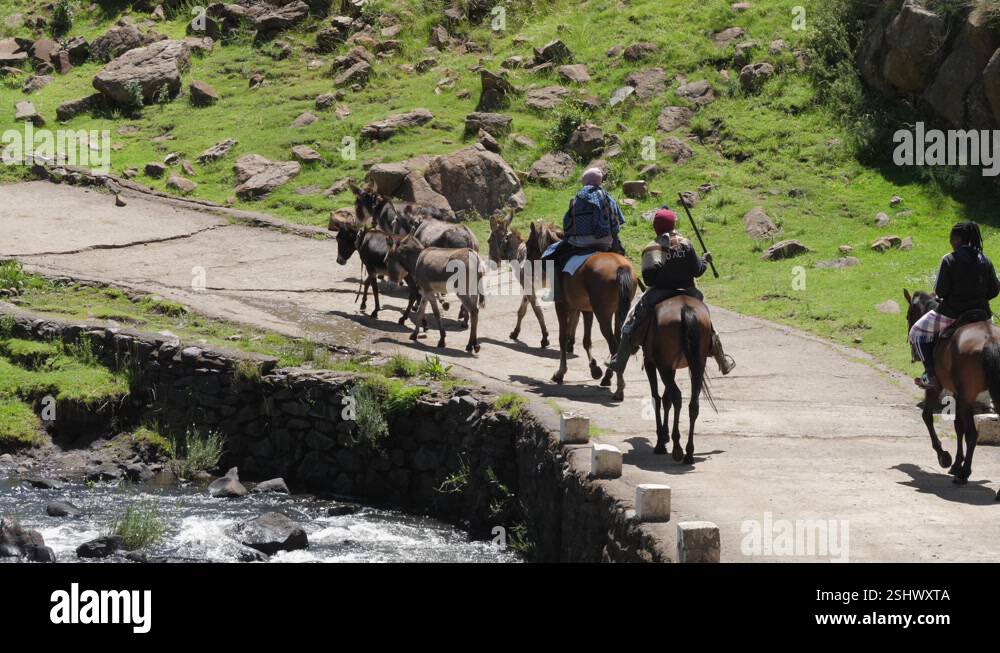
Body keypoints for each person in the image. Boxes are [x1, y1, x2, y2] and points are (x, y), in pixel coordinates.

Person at [607, 207, 735, 375]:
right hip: (689, 291)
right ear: (673, 224)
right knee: (708, 324)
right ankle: (722, 360)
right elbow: (697, 270)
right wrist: (705, 260)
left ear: (656, 227)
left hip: (661, 292)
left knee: (631, 321)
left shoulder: (652, 247)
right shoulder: (686, 243)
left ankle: (619, 362)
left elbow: (649, 279)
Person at [909, 221, 1000, 390]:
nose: (950, 242)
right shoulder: (985, 260)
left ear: (957, 239)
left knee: (916, 331)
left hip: (952, 313)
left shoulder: (949, 259)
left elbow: (940, 292)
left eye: (952, 238)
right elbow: (994, 291)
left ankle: (930, 374)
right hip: (982, 314)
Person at [543, 168, 626, 278]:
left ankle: (557, 292)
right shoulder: (609, 198)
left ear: (586, 181)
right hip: (606, 243)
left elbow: (568, 223)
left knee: (551, 256)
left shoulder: (579, 197)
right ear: (599, 181)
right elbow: (617, 222)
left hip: (582, 243)